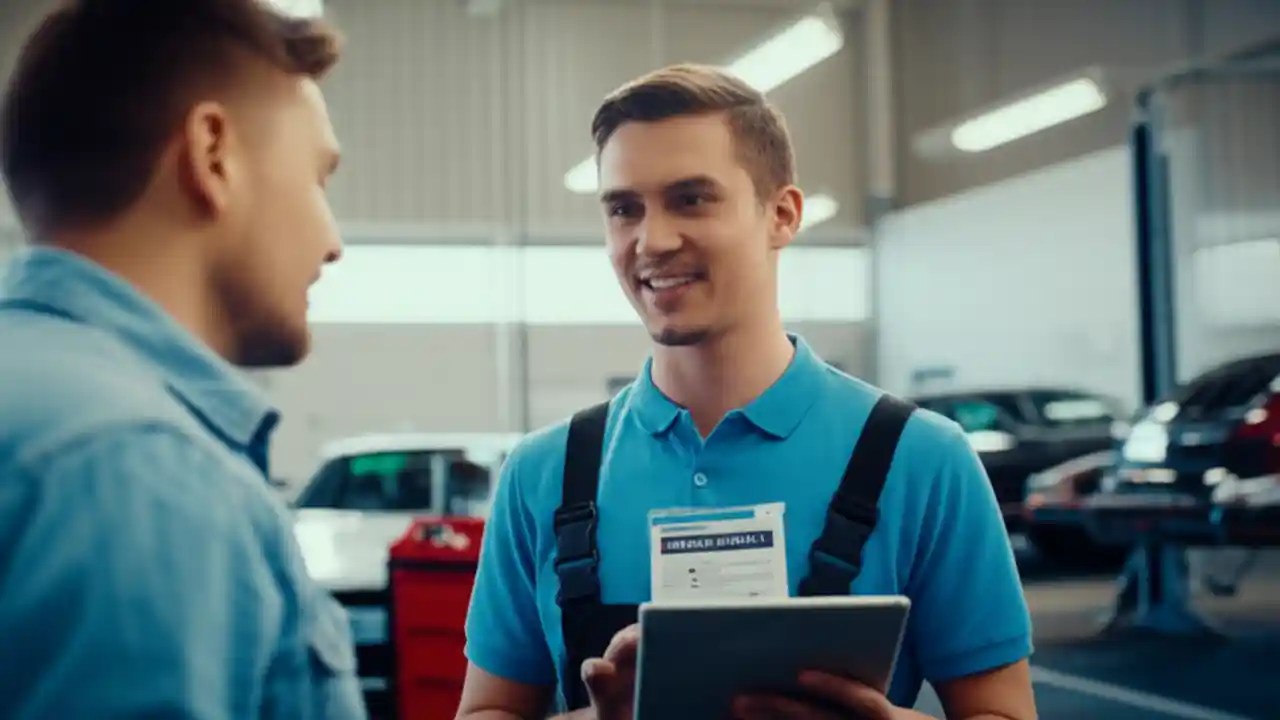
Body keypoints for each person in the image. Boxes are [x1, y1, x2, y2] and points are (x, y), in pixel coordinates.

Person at [457, 64, 1037, 720]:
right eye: (624, 209)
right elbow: (487, 710)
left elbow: (1005, 711)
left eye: (691, 199)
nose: (653, 240)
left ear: (782, 215)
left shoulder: (923, 460)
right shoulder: (544, 475)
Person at [0, 1, 363, 717]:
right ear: (212, 154)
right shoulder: (139, 471)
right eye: (319, 179)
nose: (332, 241)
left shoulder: (38, 410)